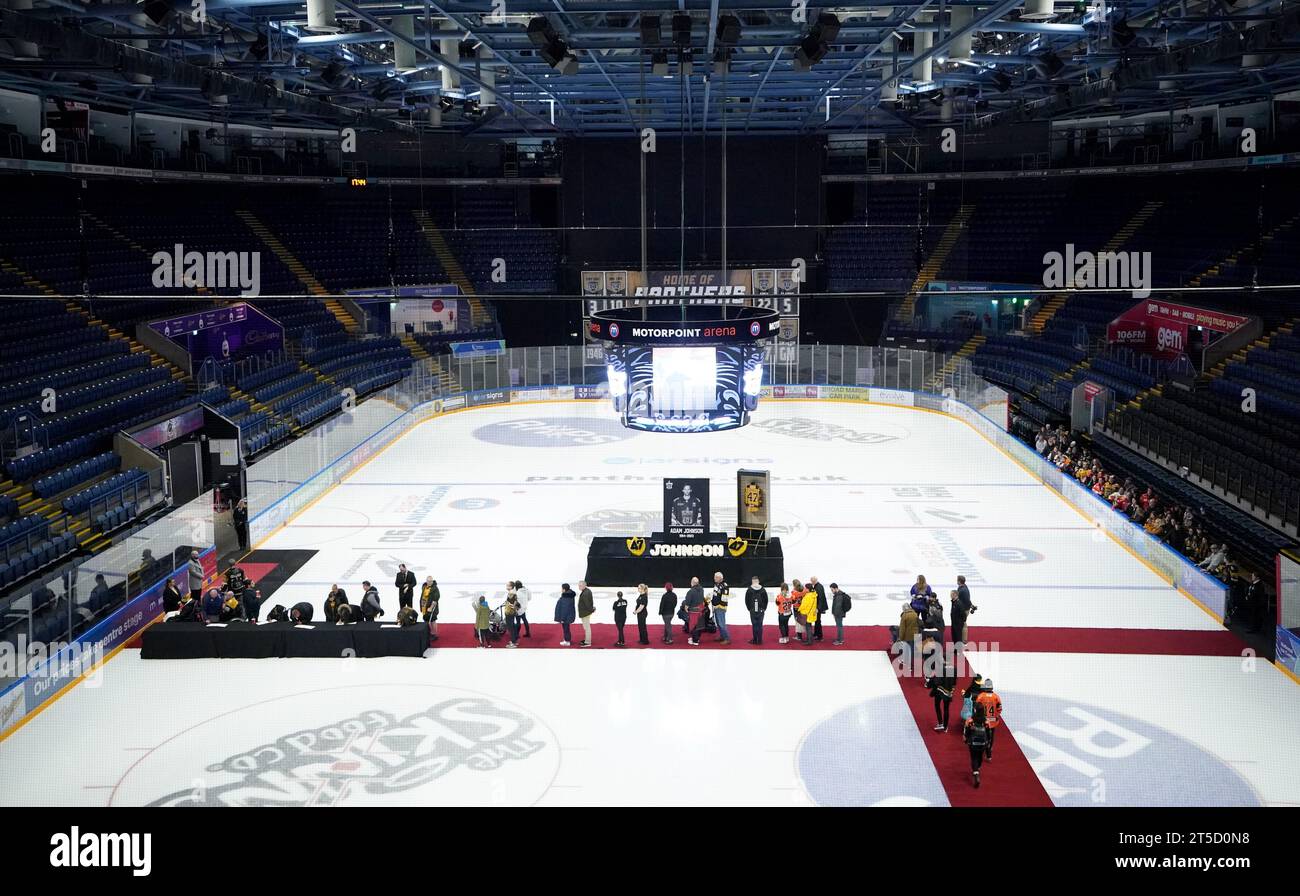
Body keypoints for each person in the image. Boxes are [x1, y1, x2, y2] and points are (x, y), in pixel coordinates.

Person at [975, 679, 1003, 761]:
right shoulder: (996, 696)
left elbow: (976, 708)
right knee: (992, 736)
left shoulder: (981, 696)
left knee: (982, 734)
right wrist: (996, 715)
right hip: (993, 720)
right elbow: (999, 708)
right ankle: (989, 749)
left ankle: (982, 749)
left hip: (983, 720)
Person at [964, 703, 991, 788]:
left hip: (973, 743)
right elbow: (989, 733)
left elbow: (966, 732)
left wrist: (966, 740)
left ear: (975, 710)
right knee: (979, 757)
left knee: (974, 757)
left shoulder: (970, 720)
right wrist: (988, 742)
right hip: (983, 743)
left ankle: (976, 773)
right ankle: (978, 767)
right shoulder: (986, 721)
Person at [927, 661, 957, 732]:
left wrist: (929, 683)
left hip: (939, 690)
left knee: (937, 705)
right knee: (946, 708)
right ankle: (945, 727)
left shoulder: (941, 668)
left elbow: (937, 681)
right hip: (949, 691)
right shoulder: (954, 668)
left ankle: (940, 723)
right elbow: (955, 681)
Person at [951, 577, 976, 645]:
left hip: (964, 610)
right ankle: (961, 637)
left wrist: (970, 606)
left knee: (963, 623)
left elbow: (967, 600)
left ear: (959, 581)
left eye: (957, 580)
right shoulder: (962, 587)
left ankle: (964, 640)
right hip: (962, 609)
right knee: (961, 623)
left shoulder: (963, 590)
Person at [744, 576, 768, 645]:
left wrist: (749, 609)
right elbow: (766, 600)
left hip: (753, 610)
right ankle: (760, 640)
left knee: (754, 625)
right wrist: (764, 609)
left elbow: (747, 600)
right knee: (760, 624)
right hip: (761, 610)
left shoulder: (749, 589)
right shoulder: (763, 589)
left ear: (752, 581)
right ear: (758, 581)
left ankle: (755, 639)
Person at [684, 579, 707, 646]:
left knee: (693, 626)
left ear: (692, 583)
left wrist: (686, 609)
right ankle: (697, 638)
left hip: (694, 612)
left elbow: (687, 604)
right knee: (699, 625)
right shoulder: (702, 589)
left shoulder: (690, 592)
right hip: (701, 610)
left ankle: (695, 641)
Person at [711, 572, 731, 645]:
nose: (714, 578)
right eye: (714, 577)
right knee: (718, 623)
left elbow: (724, 599)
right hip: (716, 606)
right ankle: (722, 636)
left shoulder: (725, 586)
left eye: (716, 577)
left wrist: (720, 607)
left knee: (722, 623)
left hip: (720, 607)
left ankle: (727, 638)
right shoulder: (716, 584)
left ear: (720, 578)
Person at [898, 603, 921, 669]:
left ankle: (906, 662)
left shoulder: (904, 616)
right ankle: (911, 665)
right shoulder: (915, 614)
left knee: (906, 649)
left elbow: (902, 628)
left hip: (907, 636)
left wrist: (901, 637)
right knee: (912, 650)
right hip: (915, 634)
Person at [808, 576, 827, 641]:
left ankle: (820, 636)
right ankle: (816, 634)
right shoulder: (817, 586)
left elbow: (821, 599)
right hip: (818, 607)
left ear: (814, 581)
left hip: (819, 607)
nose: (811, 582)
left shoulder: (818, 587)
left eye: (811, 581)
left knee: (818, 621)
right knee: (816, 621)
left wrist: (818, 608)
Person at [577, 580, 595, 647]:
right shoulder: (587, 591)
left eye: (580, 585)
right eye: (579, 585)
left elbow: (587, 604)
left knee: (587, 627)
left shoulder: (585, 594)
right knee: (586, 627)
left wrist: (592, 609)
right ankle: (586, 640)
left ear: (584, 585)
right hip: (586, 612)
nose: (579, 587)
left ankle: (587, 642)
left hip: (585, 613)